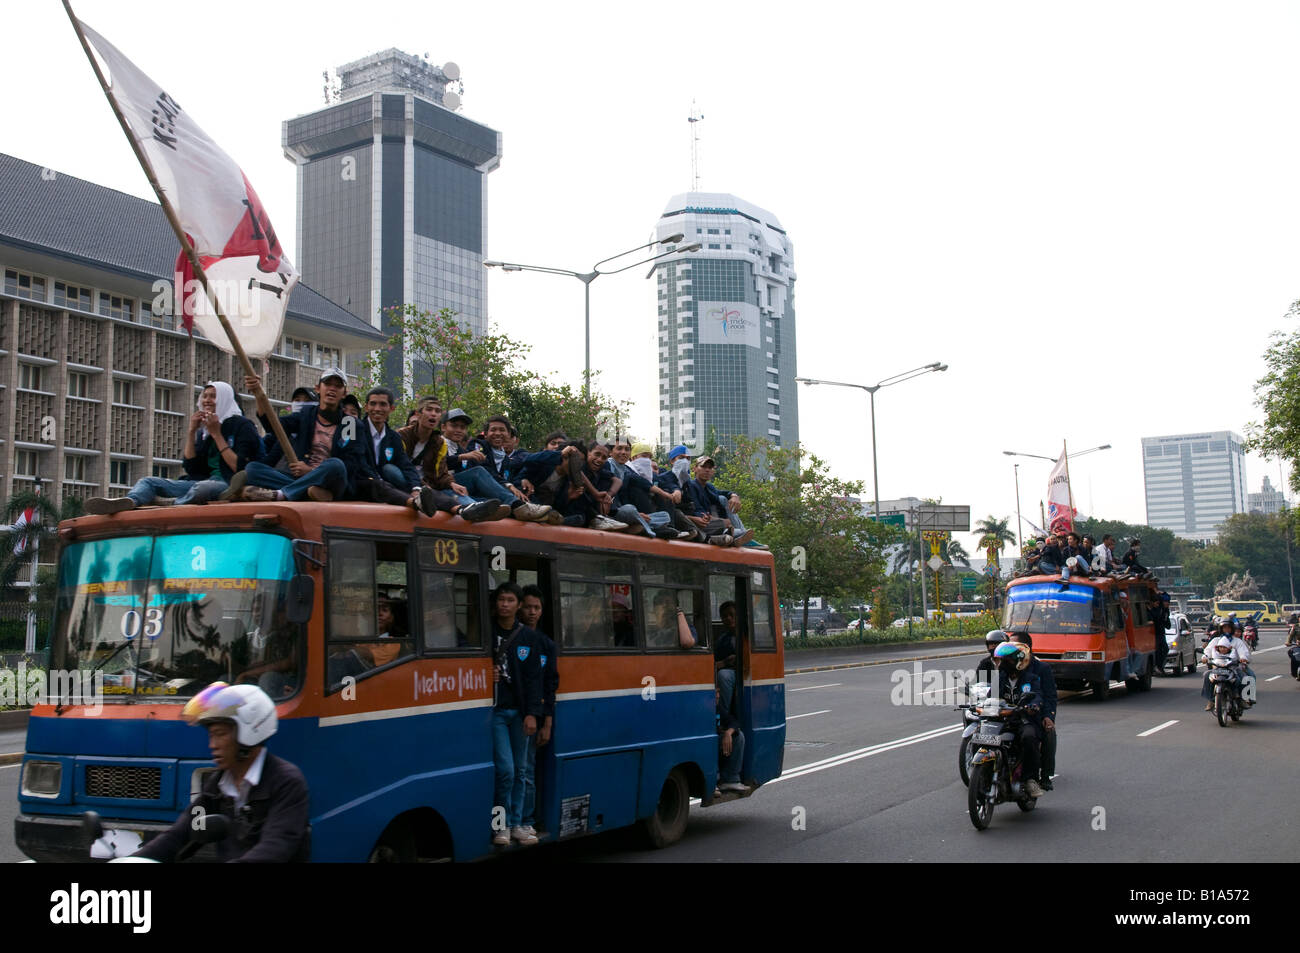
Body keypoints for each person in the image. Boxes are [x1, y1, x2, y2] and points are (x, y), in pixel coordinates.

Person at [133, 682, 309, 862]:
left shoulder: (286, 781)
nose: (213, 745)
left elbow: (275, 847)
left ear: (251, 730)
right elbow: (180, 833)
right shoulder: (219, 785)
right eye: (211, 736)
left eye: (220, 734)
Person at [86, 381, 262, 513]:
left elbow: (238, 468)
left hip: (228, 483)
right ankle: (130, 502)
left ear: (224, 399)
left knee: (202, 489)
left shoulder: (242, 426)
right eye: (205, 396)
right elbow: (191, 467)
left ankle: (172, 504)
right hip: (201, 481)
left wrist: (217, 434)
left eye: (213, 396)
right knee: (148, 481)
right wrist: (192, 431)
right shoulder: (205, 430)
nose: (207, 400)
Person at [226, 367, 366, 503]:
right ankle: (308, 493)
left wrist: (311, 471)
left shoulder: (350, 424)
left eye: (338, 386)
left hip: (331, 481)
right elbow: (273, 426)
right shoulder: (307, 414)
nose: (332, 389)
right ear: (318, 388)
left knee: (336, 464)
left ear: (344, 393)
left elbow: (350, 464)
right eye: (327, 384)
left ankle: (283, 494)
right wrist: (259, 394)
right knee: (253, 469)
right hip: (300, 480)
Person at [489, 581, 545, 847]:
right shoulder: (486, 632)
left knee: (522, 770)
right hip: (497, 712)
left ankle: (519, 823)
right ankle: (502, 825)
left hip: (520, 712)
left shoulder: (528, 638)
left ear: (518, 605)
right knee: (506, 771)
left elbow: (535, 680)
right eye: (501, 599)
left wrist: (533, 714)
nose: (505, 604)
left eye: (510, 600)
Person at [394, 396, 506, 522]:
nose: (433, 414)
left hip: (434, 485)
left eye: (437, 411)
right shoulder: (401, 435)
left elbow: (441, 472)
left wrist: (451, 483)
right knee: (390, 470)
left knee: (469, 483)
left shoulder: (439, 442)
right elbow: (403, 466)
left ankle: (505, 506)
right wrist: (420, 486)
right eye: (429, 410)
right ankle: (475, 508)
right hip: (411, 482)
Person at [440, 409, 554, 523]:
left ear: (509, 434)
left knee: (495, 503)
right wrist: (507, 485)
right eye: (454, 426)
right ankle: (518, 506)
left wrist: (522, 481)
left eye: (462, 427)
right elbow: (435, 465)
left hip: (458, 489)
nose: (459, 430)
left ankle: (536, 513)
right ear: (443, 427)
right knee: (478, 472)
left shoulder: (505, 459)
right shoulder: (471, 445)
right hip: (442, 486)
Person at [516, 585, 557, 841]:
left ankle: (527, 820)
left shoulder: (546, 644)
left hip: (535, 716)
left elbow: (550, 684)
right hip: (513, 712)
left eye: (537, 608)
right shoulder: (512, 639)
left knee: (527, 769)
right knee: (513, 771)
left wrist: (547, 722)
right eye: (528, 607)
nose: (532, 612)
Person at [992, 641, 1046, 798]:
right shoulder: (1000, 678)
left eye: (1006, 660)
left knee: (1029, 737)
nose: (1001, 664)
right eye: (999, 660)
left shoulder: (1031, 679)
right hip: (1002, 721)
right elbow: (990, 697)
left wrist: (1033, 706)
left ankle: (1030, 779)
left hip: (1023, 720)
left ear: (1017, 661)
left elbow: (1037, 696)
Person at [1008, 632, 1058, 790]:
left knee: (1045, 732)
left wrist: (1048, 716)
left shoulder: (1038, 669)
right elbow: (989, 689)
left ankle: (1043, 776)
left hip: (1030, 714)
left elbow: (1046, 695)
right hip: (1003, 715)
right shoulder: (996, 666)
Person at [686, 456, 757, 547]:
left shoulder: (709, 487)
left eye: (710, 468)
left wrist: (734, 496)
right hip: (700, 524)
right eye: (703, 467)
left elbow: (724, 493)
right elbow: (699, 513)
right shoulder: (691, 486)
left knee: (723, 498)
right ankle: (742, 535)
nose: (707, 470)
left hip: (713, 522)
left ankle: (740, 535)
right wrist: (722, 521)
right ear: (695, 469)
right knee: (734, 530)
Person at [1201, 618, 1253, 710]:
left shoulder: (1237, 641)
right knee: (1206, 675)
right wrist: (1205, 658)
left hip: (1233, 667)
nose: (1227, 630)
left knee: (1244, 677)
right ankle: (1211, 700)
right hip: (1217, 667)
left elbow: (1243, 652)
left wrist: (1243, 658)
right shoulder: (1215, 640)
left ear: (1232, 629)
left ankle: (1242, 699)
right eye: (1224, 628)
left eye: (1229, 628)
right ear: (1221, 629)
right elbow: (1208, 651)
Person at [715, 686, 746, 794]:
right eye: (715, 693)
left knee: (738, 736)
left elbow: (732, 720)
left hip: (717, 741)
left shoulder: (717, 708)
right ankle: (712, 781)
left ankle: (730, 779)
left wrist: (728, 732)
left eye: (719, 692)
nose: (718, 696)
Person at [715, 601, 740, 713]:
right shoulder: (722, 639)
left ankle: (723, 714)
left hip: (742, 673)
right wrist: (724, 663)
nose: (728, 618)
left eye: (731, 615)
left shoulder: (748, 636)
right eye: (724, 616)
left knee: (724, 675)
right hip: (727, 669)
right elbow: (715, 661)